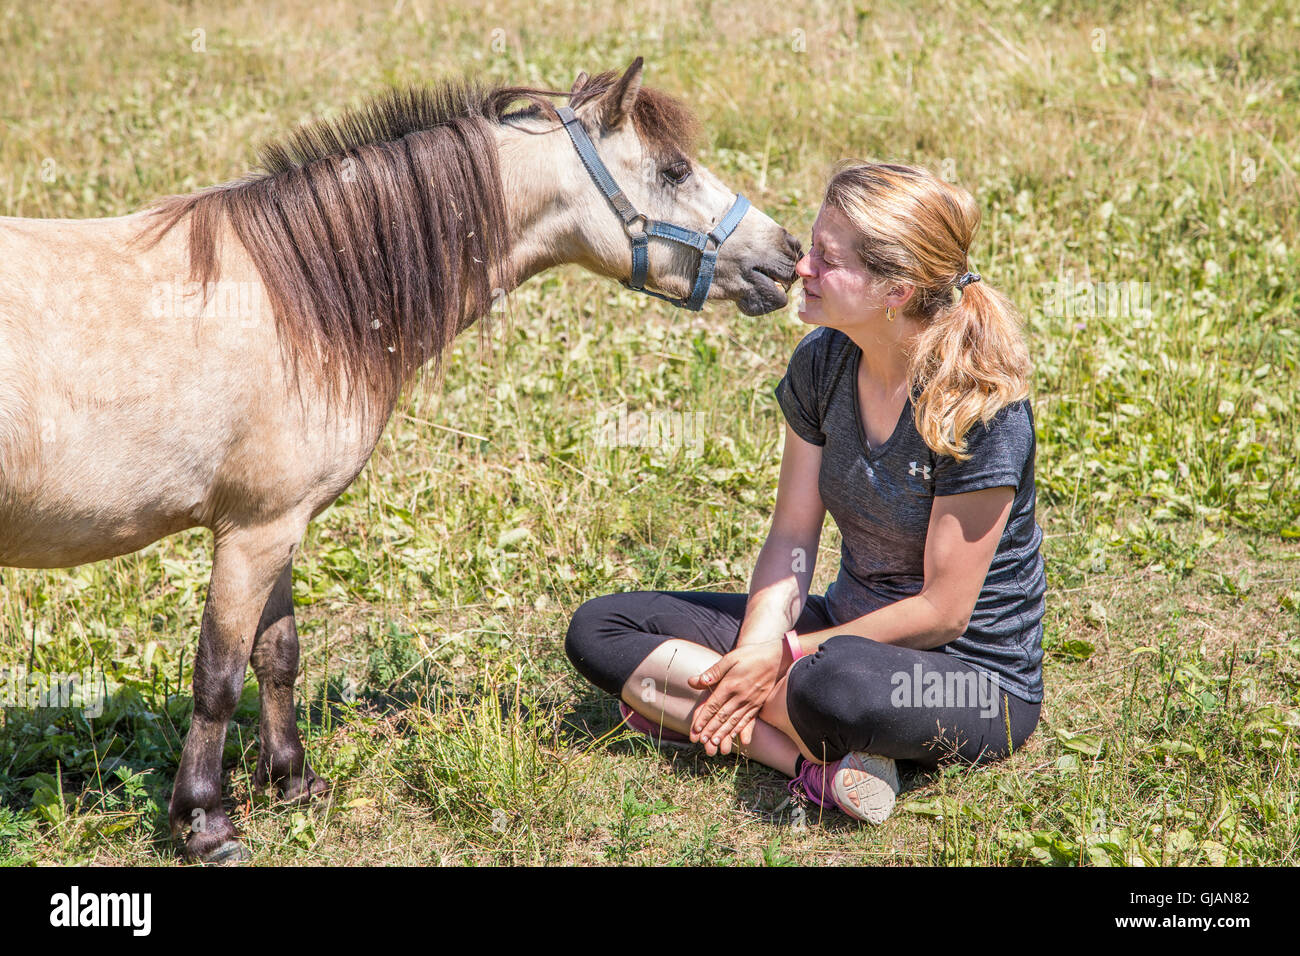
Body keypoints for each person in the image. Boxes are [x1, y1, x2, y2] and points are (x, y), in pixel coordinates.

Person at [564, 161, 1046, 824]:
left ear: (896, 290)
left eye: (827, 258)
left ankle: (684, 701)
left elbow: (943, 611)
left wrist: (785, 657)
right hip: (838, 630)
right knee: (602, 627)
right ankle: (804, 762)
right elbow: (793, 532)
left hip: (967, 679)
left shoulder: (979, 408)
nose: (802, 269)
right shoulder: (822, 362)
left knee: (833, 685)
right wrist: (762, 645)